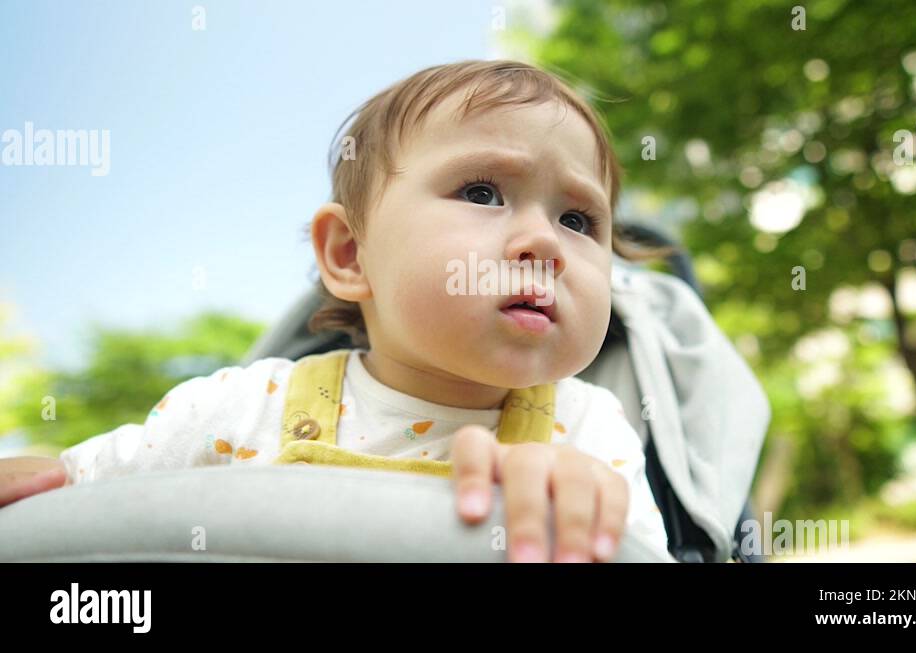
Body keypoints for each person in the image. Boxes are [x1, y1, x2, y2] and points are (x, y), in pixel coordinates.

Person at [0, 60, 673, 563]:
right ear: (350, 253)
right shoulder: (241, 408)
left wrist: (582, 518)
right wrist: (40, 477)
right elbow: (81, 506)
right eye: (482, 191)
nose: (544, 243)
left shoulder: (587, 430)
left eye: (579, 219)